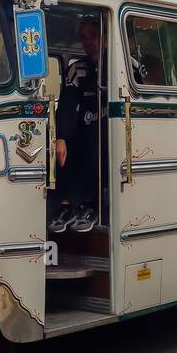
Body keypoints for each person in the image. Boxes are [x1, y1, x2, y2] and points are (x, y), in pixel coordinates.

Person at [50, 17, 102, 234]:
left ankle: (91, 205)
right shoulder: (77, 69)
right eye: (84, 37)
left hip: (109, 134)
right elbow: (67, 107)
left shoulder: (122, 67)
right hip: (86, 132)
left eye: (94, 36)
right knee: (65, 146)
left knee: (96, 140)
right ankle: (67, 206)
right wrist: (61, 137)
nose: (89, 42)